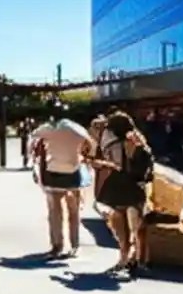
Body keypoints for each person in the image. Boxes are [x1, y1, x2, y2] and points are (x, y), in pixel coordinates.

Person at [92, 112, 155, 274]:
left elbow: (115, 164)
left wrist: (103, 164)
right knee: (139, 228)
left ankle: (124, 256)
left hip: (117, 186)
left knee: (120, 225)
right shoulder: (139, 140)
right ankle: (140, 259)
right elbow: (148, 164)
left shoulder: (112, 143)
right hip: (136, 187)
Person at [31, 118, 94, 258]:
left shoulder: (48, 129)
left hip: (53, 171)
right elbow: (90, 144)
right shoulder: (77, 130)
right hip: (73, 172)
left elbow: (34, 137)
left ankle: (57, 245)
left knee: (55, 212)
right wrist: (81, 153)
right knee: (74, 211)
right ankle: (74, 245)